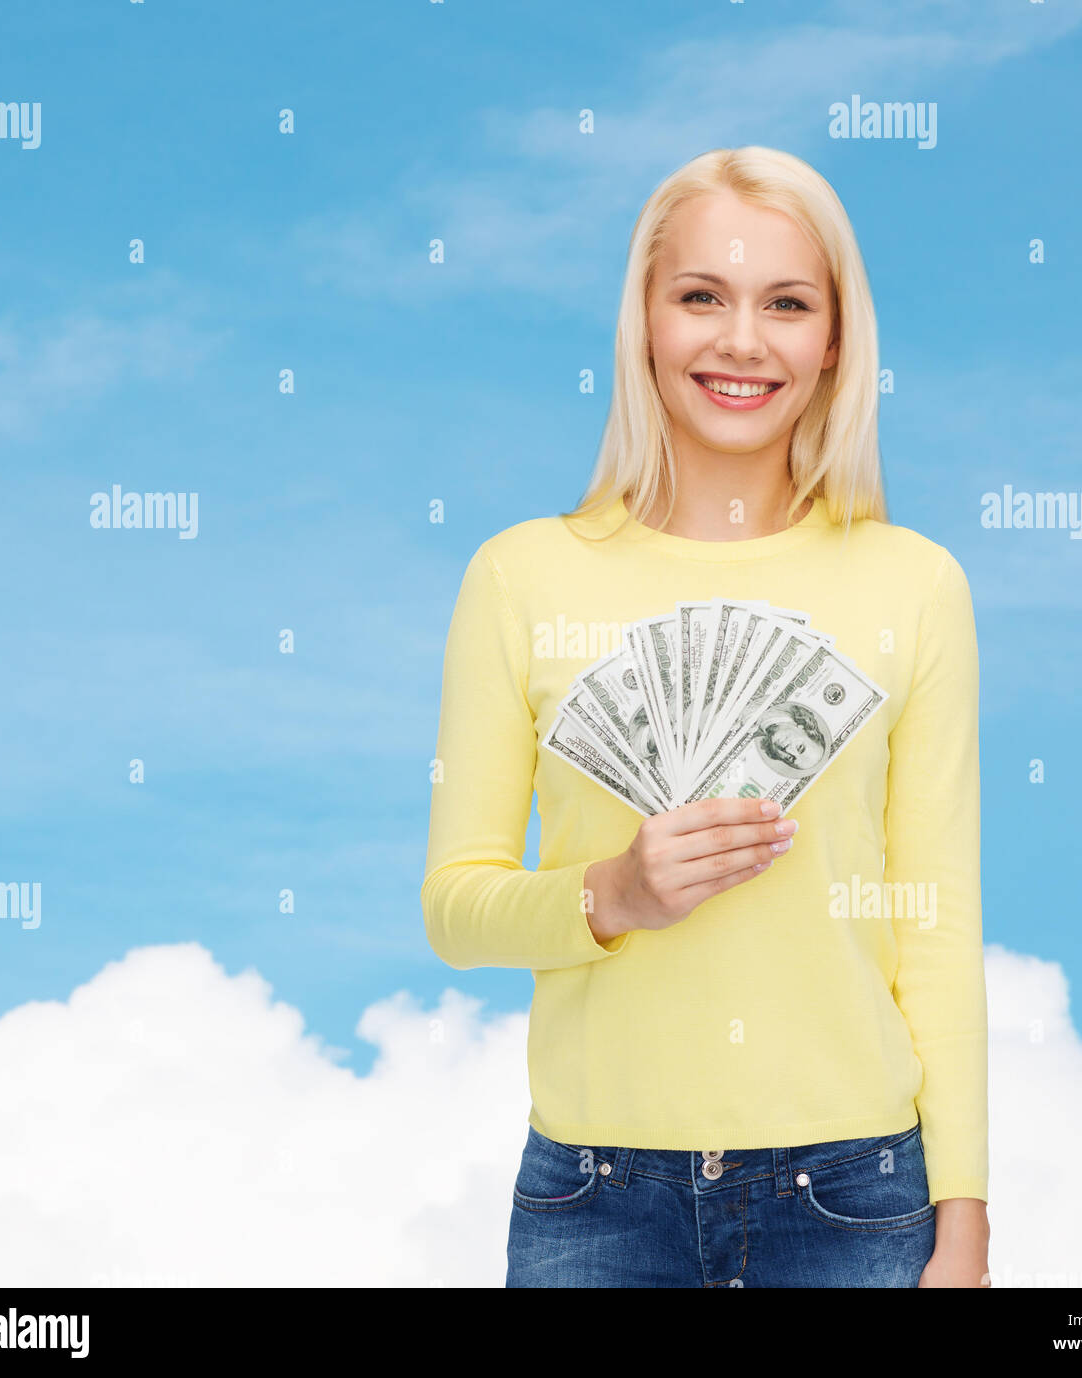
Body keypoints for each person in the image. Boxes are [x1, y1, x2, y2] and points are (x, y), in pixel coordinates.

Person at [421, 146, 990, 1288]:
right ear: (642, 321)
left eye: (786, 303)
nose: (742, 340)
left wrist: (963, 1225)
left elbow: (934, 926)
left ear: (833, 340)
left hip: (858, 1199)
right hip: (594, 1200)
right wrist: (612, 894)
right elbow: (456, 909)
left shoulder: (914, 585)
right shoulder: (518, 576)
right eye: (701, 297)